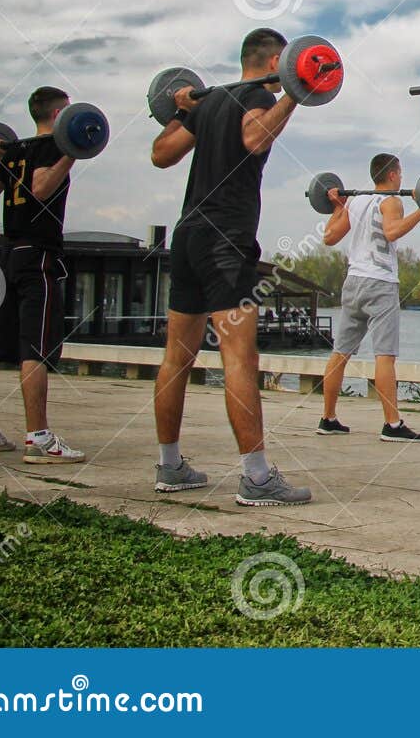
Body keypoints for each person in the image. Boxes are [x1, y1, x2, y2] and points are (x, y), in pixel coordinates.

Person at [149, 27, 312, 507]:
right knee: (240, 357)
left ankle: (169, 465)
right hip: (225, 239)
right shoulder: (259, 95)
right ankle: (257, 478)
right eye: (288, 67)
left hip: (188, 235)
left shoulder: (210, 101)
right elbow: (255, 139)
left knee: (176, 357)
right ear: (278, 61)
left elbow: (161, 153)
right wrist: (297, 94)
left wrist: (183, 110)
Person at [0, 86, 87, 463]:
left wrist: (1, 158)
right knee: (35, 346)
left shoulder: (16, 151)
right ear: (55, 116)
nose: (71, 117)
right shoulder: (55, 147)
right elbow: (40, 189)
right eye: (67, 111)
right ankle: (38, 438)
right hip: (38, 256)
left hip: (10, 254)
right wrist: (72, 151)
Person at [317, 153, 420, 442]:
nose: (401, 177)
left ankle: (328, 418)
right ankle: (392, 425)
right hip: (380, 283)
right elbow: (392, 233)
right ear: (392, 175)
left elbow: (329, 237)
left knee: (340, 352)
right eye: (400, 173)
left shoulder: (355, 201)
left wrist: (337, 207)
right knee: (385, 356)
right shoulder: (392, 201)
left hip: (353, 282)